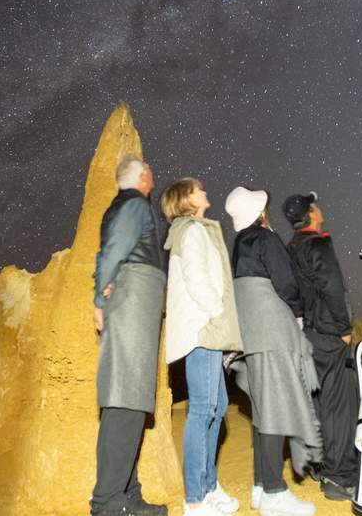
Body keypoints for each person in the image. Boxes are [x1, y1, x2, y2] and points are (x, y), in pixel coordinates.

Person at [225, 186, 320, 516]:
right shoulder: (265, 239)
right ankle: (275, 493)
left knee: (264, 409)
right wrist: (297, 312)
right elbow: (286, 281)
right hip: (270, 328)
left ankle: (260, 487)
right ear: (260, 213)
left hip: (250, 332)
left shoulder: (239, 245)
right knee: (276, 406)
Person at [160, 178, 244, 515]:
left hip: (207, 330)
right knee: (202, 409)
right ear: (187, 199)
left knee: (216, 406)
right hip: (202, 330)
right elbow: (197, 278)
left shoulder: (197, 230)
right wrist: (218, 312)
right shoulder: (192, 231)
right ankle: (195, 498)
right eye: (198, 188)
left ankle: (208, 487)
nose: (205, 190)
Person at [91, 155, 168, 516]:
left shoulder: (120, 206)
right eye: (149, 170)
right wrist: (99, 295)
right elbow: (114, 250)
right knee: (124, 401)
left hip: (135, 301)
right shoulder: (135, 204)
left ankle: (127, 496)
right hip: (133, 301)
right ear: (142, 177)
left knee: (131, 402)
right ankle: (107, 502)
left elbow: (106, 253)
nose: (153, 174)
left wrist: (104, 288)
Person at [281, 192, 360, 501]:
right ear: (312, 213)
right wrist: (343, 328)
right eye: (315, 204)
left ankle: (319, 464)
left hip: (307, 334)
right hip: (329, 334)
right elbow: (333, 287)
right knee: (340, 406)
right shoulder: (317, 244)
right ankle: (340, 477)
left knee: (317, 404)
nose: (320, 206)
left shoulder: (290, 248)